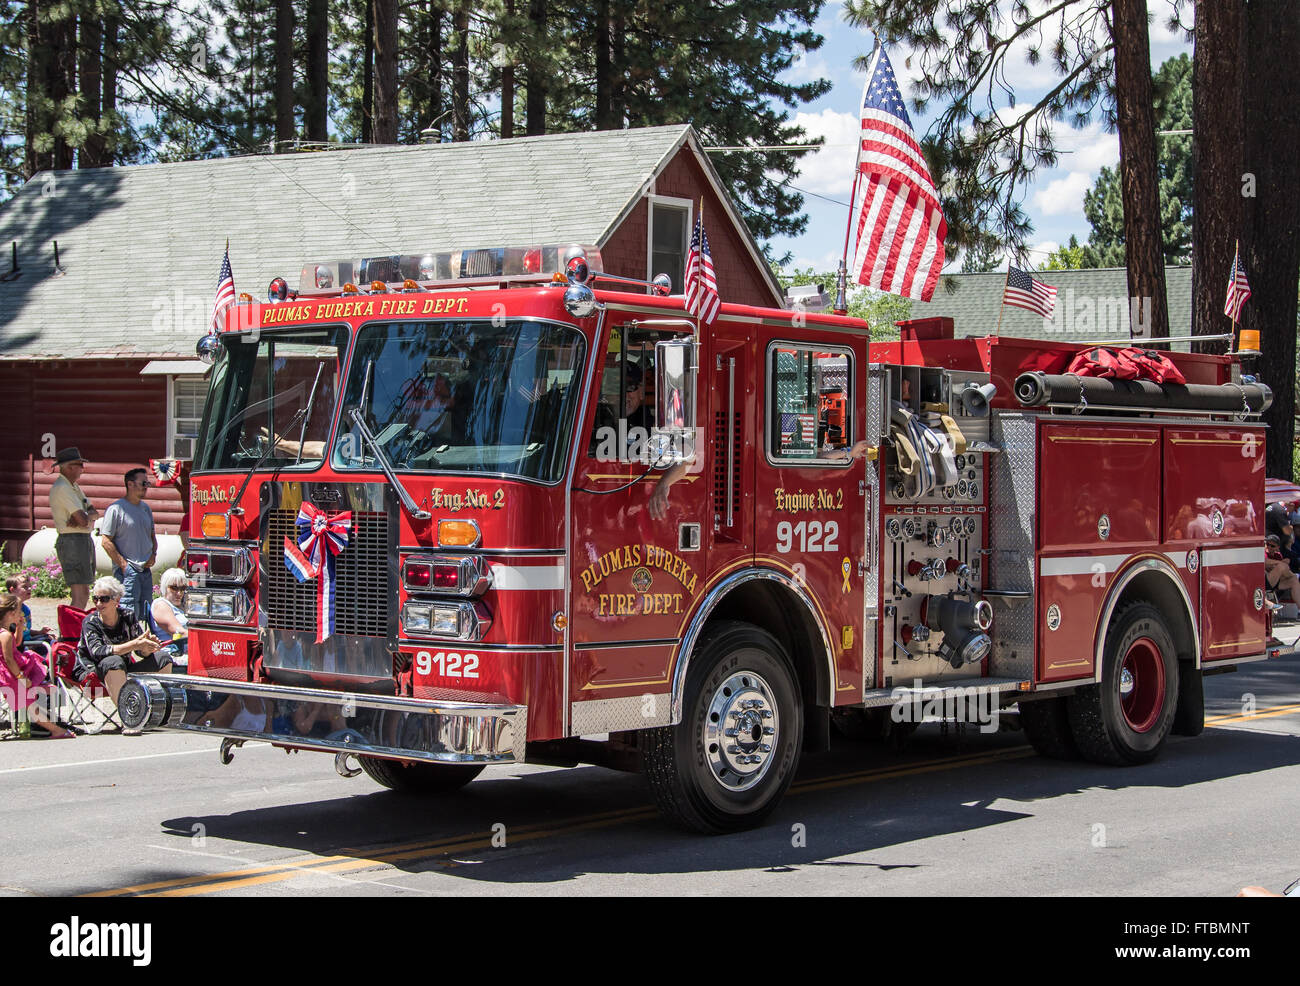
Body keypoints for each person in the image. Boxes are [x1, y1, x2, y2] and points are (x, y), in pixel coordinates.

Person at [75, 576, 168, 732]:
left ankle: (158, 714)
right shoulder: (90, 622)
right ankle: (129, 718)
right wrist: (134, 644)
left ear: (116, 599)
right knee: (113, 660)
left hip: (123, 668)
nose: (98, 603)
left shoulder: (127, 616)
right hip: (94, 671)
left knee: (163, 658)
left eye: (103, 599)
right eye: (95, 599)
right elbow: (98, 652)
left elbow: (140, 651)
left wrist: (147, 647)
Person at [0, 593, 74, 738]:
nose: (22, 614)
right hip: (8, 673)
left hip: (9, 671)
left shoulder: (6, 633)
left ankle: (54, 726)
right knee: (27, 703)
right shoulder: (5, 635)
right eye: (19, 611)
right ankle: (55, 729)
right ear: (10, 613)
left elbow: (16, 644)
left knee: (27, 702)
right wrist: (21, 677)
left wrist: (19, 628)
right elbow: (9, 659)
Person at [99, 468, 158, 623]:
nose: (146, 486)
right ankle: (127, 645)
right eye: (143, 483)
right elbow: (106, 541)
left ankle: (142, 646)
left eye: (147, 483)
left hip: (145, 569)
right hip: (128, 570)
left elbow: (152, 535)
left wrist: (153, 554)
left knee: (146, 612)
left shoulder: (146, 508)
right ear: (130, 484)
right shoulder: (116, 509)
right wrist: (124, 565)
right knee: (128, 611)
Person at [49, 447, 99, 610]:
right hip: (73, 541)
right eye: (79, 464)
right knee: (79, 594)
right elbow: (84, 519)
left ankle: (73, 632)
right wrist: (85, 517)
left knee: (83, 592)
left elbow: (93, 512)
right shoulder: (63, 487)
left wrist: (86, 516)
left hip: (80, 539)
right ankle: (69, 633)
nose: (82, 469)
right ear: (69, 466)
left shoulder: (74, 486)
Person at [4, 575, 53, 659]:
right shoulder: (11, 611)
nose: (29, 589)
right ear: (12, 590)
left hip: (27, 640)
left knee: (51, 640)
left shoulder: (25, 609)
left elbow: (26, 630)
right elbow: (11, 637)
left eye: (30, 586)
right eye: (24, 587)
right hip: (18, 645)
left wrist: (40, 632)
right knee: (44, 648)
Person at [150, 568, 189, 670]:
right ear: (165, 587)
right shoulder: (161, 605)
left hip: (188, 649)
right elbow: (177, 633)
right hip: (173, 652)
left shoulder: (183, 605)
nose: (179, 593)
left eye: (183, 588)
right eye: (174, 588)